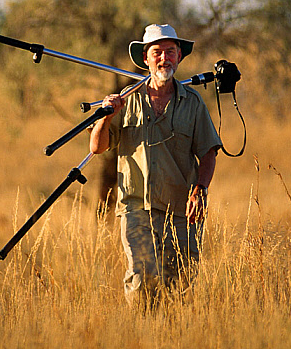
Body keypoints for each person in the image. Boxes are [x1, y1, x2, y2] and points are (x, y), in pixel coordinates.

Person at [90, 24, 222, 308]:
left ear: (179, 58)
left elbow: (209, 151)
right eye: (157, 52)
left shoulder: (193, 102)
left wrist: (200, 189)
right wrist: (106, 116)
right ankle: (142, 343)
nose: (164, 59)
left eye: (170, 52)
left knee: (180, 287)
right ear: (146, 59)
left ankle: (173, 345)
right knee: (141, 281)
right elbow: (97, 147)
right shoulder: (126, 100)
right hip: (137, 208)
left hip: (182, 211)